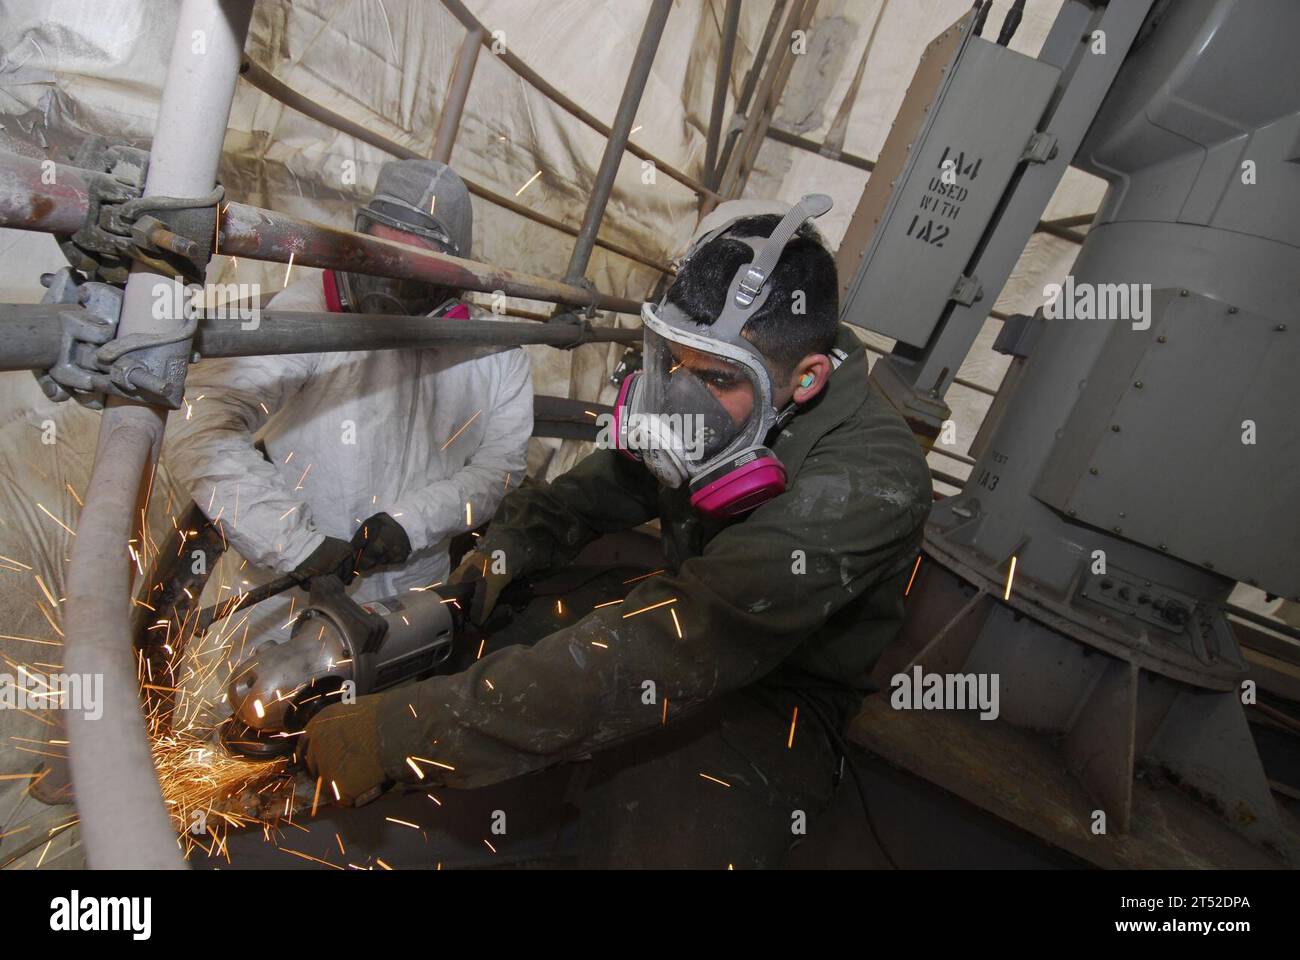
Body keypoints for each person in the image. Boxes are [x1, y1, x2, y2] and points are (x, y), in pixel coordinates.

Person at [300, 194, 933, 867]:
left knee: (677, 829)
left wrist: (407, 732)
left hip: (775, 689)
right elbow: (582, 500)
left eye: (716, 379)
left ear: (806, 380)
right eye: (673, 362)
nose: (681, 400)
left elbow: (680, 640)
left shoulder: (873, 478)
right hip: (682, 608)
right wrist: (493, 566)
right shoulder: (726, 401)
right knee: (504, 635)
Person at [165, 159, 533, 644]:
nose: (387, 286)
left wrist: (413, 523)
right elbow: (200, 424)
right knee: (251, 705)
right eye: (380, 256)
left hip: (411, 590)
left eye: (413, 269)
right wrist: (296, 546)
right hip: (286, 591)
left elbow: (501, 469)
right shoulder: (314, 313)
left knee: (380, 716)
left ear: (452, 273)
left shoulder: (496, 352)